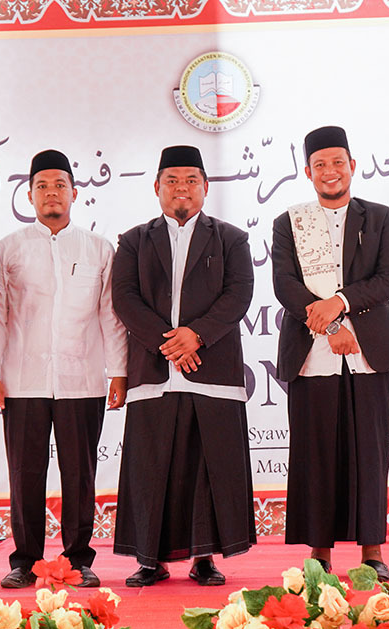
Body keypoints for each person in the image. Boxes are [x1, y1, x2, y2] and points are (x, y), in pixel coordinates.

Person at [0, 149, 127, 589]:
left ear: (75, 193)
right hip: (22, 378)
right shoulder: (9, 248)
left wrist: (118, 371)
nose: (51, 193)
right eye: (42, 186)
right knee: (25, 472)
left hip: (82, 378)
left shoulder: (99, 248)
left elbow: (110, 315)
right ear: (28, 196)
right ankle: (24, 559)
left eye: (59, 184)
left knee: (80, 473)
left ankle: (79, 558)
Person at [110, 145, 256, 587]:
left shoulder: (231, 238)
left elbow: (239, 294)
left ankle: (205, 557)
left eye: (191, 180)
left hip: (212, 371)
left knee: (205, 471)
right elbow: (125, 298)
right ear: (156, 188)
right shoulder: (134, 240)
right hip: (154, 372)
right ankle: (149, 559)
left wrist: (196, 335)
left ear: (206, 188)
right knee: (152, 467)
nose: (182, 188)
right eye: (172, 180)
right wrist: (169, 343)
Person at [271, 126, 389, 581]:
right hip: (312, 353)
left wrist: (341, 304)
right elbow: (284, 284)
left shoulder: (381, 217)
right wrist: (329, 324)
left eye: (338, 162)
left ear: (353, 165)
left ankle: (373, 551)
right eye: (320, 164)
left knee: (370, 450)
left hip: (368, 352)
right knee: (316, 451)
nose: (331, 171)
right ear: (307, 172)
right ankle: (319, 551)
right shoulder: (290, 221)